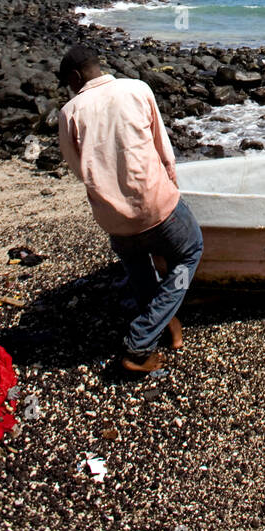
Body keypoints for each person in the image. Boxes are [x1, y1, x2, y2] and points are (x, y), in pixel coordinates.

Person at [57, 42, 203, 375]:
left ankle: (166, 324)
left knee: (137, 266)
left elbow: (79, 169)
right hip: (154, 203)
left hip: (113, 218)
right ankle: (140, 342)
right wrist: (172, 187)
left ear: (76, 77)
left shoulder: (70, 112)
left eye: (68, 82)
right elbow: (162, 148)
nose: (69, 88)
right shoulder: (137, 89)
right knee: (190, 250)